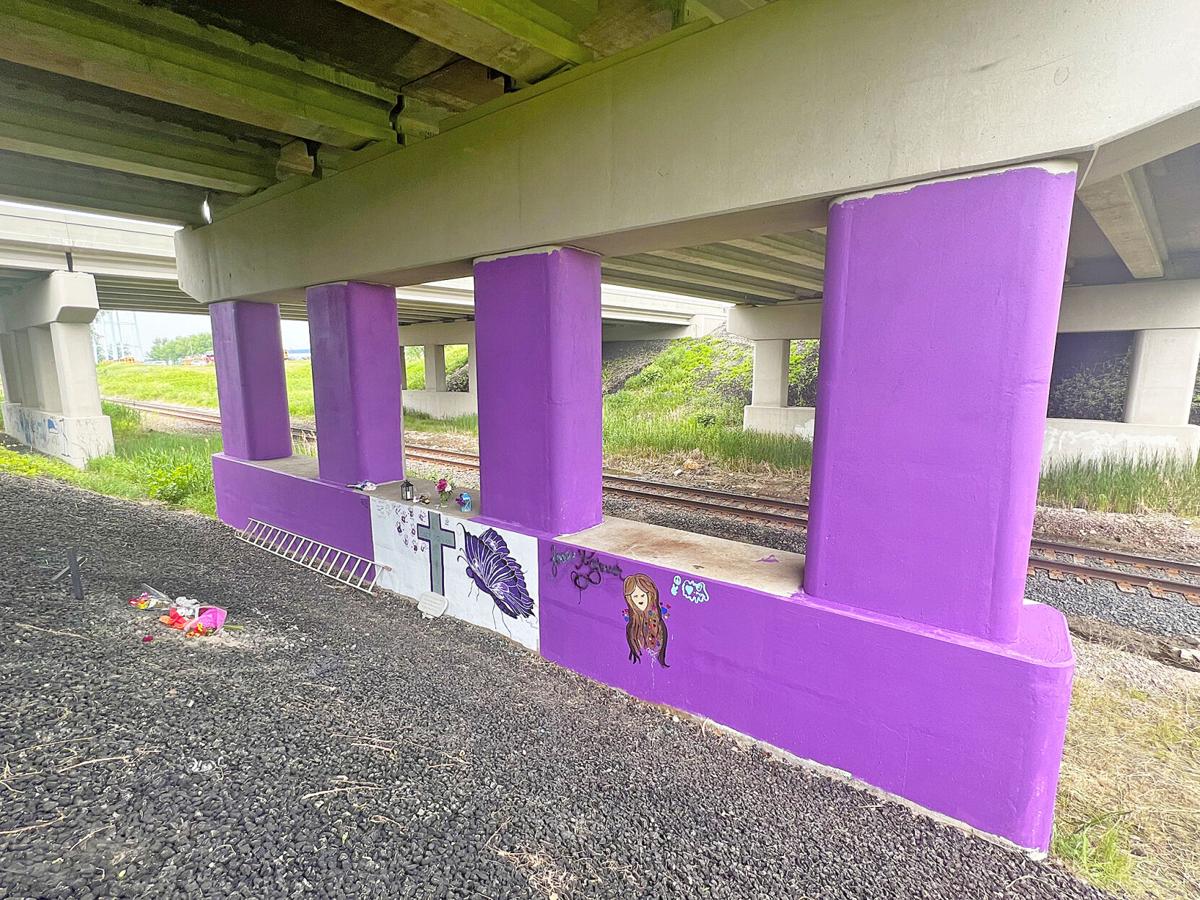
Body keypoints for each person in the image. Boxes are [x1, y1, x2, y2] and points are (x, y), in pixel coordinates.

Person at [623, 573, 669, 667]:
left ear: (650, 595)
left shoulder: (658, 623)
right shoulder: (632, 626)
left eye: (642, 595)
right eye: (635, 596)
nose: (639, 599)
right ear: (630, 599)